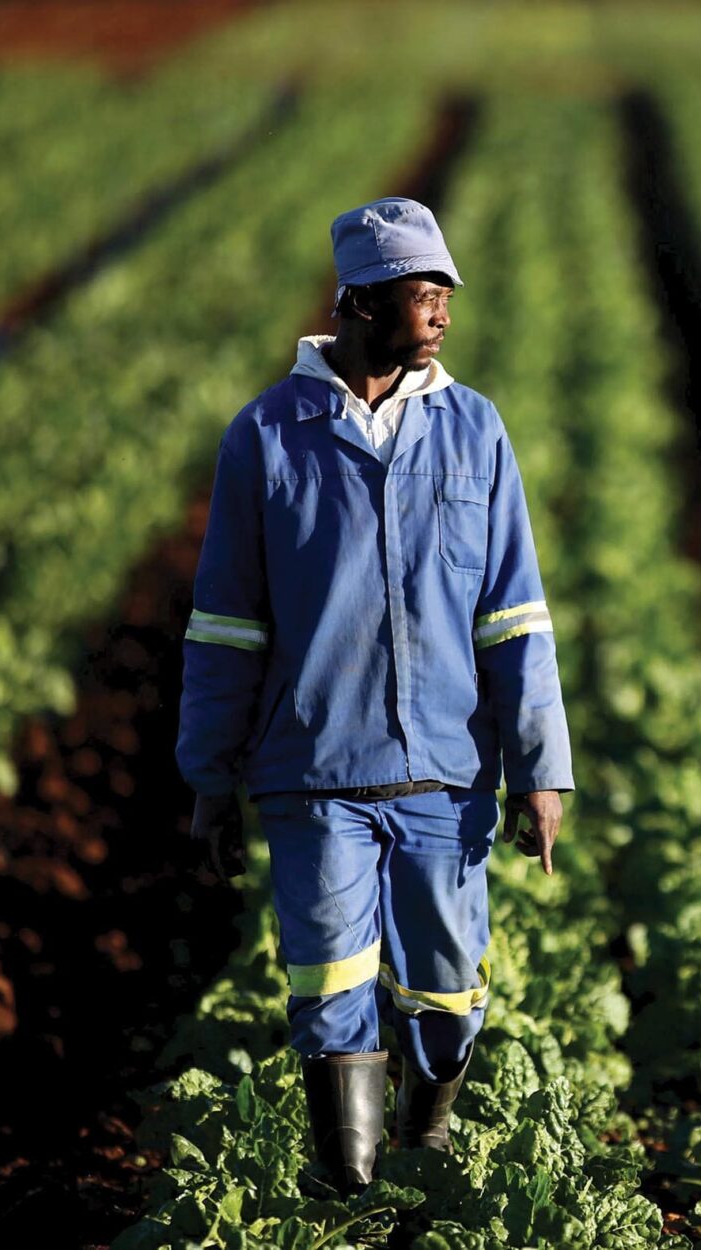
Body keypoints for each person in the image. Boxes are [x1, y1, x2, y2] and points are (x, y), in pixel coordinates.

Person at [174, 196, 575, 1196]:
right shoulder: (268, 438)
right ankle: (346, 1186)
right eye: (420, 291)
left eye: (445, 291)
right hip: (313, 771)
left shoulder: (475, 430)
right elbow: (226, 623)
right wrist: (211, 777)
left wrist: (541, 768)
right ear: (358, 301)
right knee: (328, 979)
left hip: (447, 772)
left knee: (446, 984)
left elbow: (513, 613)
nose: (441, 310)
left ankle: (423, 1153)